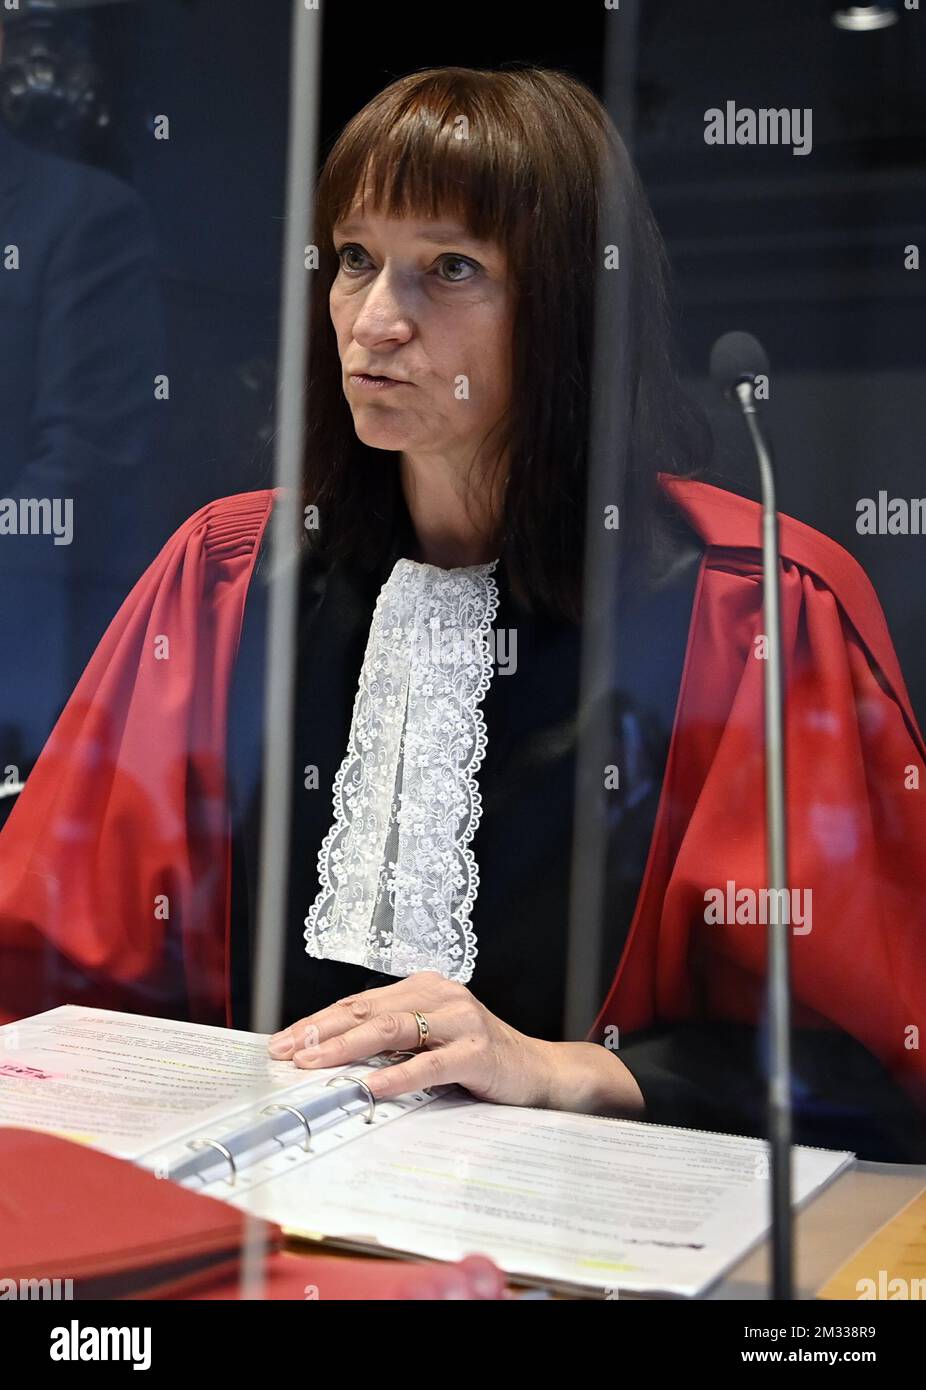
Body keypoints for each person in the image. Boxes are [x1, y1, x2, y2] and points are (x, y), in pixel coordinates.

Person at [1, 67, 924, 1161]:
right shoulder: (219, 577)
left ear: (571, 307)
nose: (377, 322)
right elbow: (43, 975)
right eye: (355, 260)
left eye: (450, 268)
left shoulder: (756, 611)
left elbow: (869, 1067)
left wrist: (562, 1066)